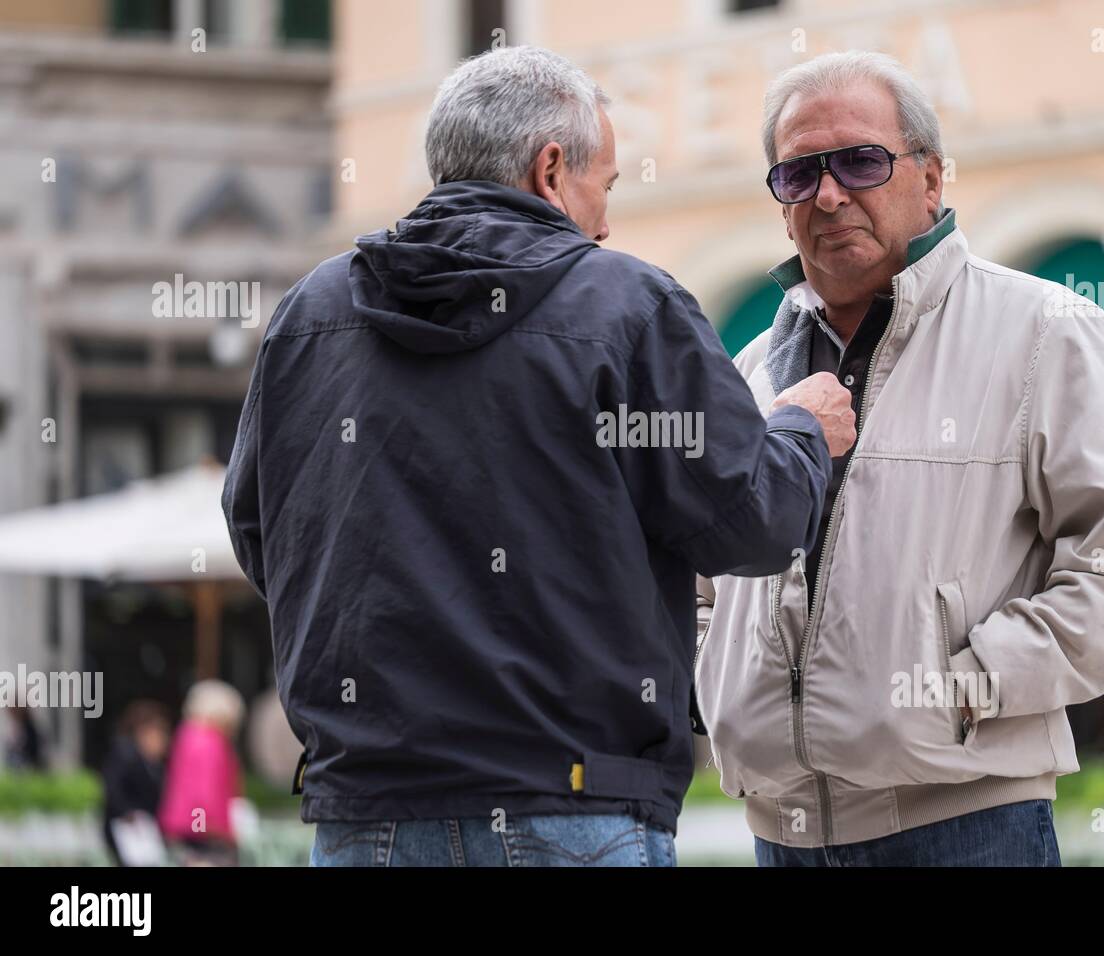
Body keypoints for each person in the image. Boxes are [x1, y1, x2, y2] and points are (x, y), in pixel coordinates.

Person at [221, 45, 855, 867]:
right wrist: (802, 430)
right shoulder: (627, 304)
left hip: (365, 816)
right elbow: (751, 520)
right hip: (573, 807)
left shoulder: (311, 314)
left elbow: (260, 530)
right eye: (607, 187)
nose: (606, 223)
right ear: (551, 169)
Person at [695, 51, 1104, 866]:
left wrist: (955, 689)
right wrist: (720, 690)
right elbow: (700, 579)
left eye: (859, 161)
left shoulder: (1043, 332)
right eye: (798, 173)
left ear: (930, 180)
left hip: (967, 829)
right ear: (779, 203)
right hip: (778, 837)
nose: (828, 193)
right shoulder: (743, 374)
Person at [157, 680, 245, 866]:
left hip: (182, 828)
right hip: (203, 834)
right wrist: (210, 830)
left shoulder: (185, 735)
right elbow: (203, 793)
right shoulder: (210, 742)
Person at [100, 700, 170, 866]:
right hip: (127, 831)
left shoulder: (155, 764)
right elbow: (112, 789)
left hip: (147, 832)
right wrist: (127, 812)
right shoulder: (125, 756)